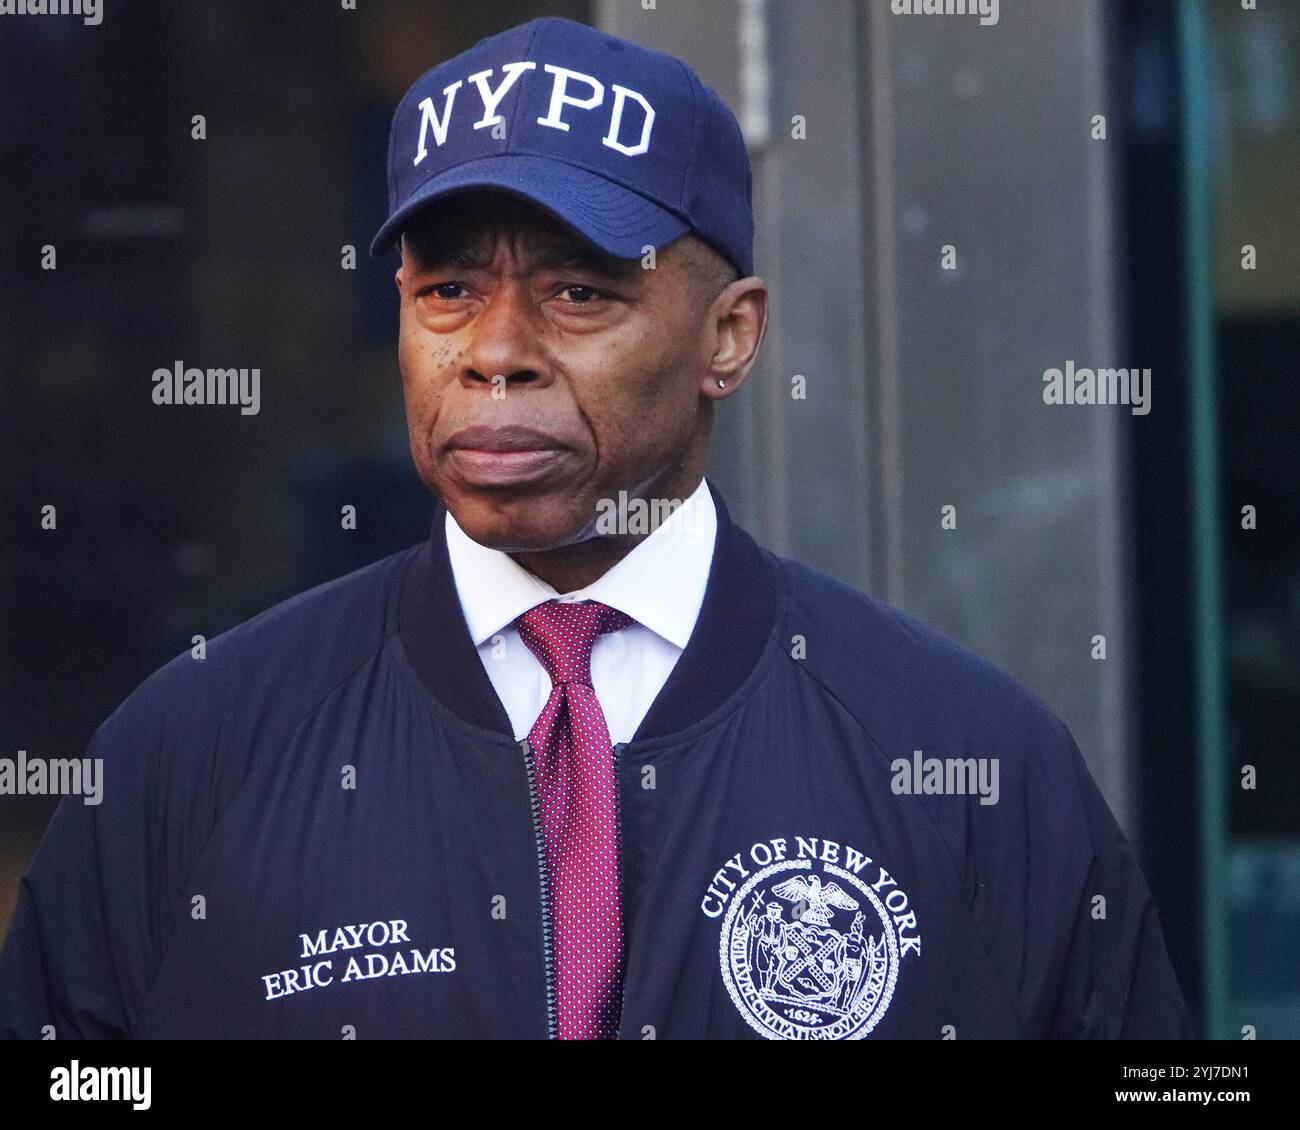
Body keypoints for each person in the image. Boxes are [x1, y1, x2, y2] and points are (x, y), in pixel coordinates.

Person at [0, 15, 1192, 1040]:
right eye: (447, 289)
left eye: (579, 291)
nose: (496, 351)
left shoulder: (967, 764)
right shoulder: (191, 755)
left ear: (729, 335)